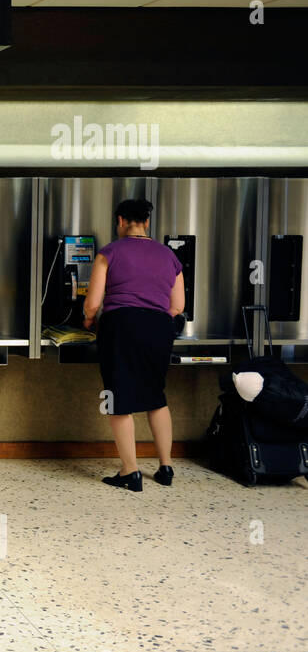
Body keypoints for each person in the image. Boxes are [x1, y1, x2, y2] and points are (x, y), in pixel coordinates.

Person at [82, 199, 185, 493]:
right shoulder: (169, 256)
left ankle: (130, 471)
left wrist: (89, 319)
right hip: (159, 327)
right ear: (147, 223)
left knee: (118, 397)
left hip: (121, 324)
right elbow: (177, 306)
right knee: (155, 396)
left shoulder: (109, 252)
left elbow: (92, 303)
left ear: (120, 221)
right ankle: (166, 468)